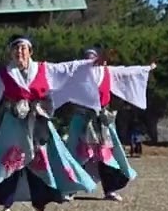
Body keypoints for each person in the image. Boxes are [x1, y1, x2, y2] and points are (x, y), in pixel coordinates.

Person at [0, 35, 102, 211]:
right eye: (16, 49)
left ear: (30, 51)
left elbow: (68, 69)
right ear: (10, 53)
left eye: (23, 48)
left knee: (40, 165)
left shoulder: (44, 69)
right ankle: (6, 207)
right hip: (15, 122)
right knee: (10, 163)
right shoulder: (4, 74)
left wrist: (89, 64)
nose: (19, 52)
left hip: (39, 121)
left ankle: (40, 210)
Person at [64, 47, 156, 201]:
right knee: (78, 154)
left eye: (93, 58)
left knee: (106, 155)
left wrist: (145, 69)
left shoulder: (108, 72)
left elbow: (127, 72)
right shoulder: (78, 74)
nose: (91, 61)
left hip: (102, 120)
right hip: (83, 119)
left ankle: (110, 189)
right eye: (87, 58)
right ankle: (70, 188)